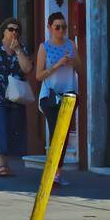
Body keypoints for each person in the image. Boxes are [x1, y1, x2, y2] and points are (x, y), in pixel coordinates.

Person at [0, 17, 33, 178]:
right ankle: (2, 163)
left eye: (17, 30)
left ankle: (6, 159)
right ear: (3, 31)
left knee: (13, 128)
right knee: (1, 127)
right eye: (10, 29)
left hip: (15, 97)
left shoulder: (22, 49)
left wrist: (18, 51)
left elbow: (28, 69)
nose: (14, 32)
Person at [35, 11, 82, 187]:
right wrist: (56, 65)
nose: (61, 31)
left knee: (63, 135)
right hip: (50, 96)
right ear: (49, 28)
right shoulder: (44, 47)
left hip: (69, 95)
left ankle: (57, 172)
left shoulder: (71, 45)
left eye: (63, 27)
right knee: (56, 133)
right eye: (57, 27)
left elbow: (81, 69)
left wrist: (73, 62)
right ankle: (53, 171)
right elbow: (39, 75)